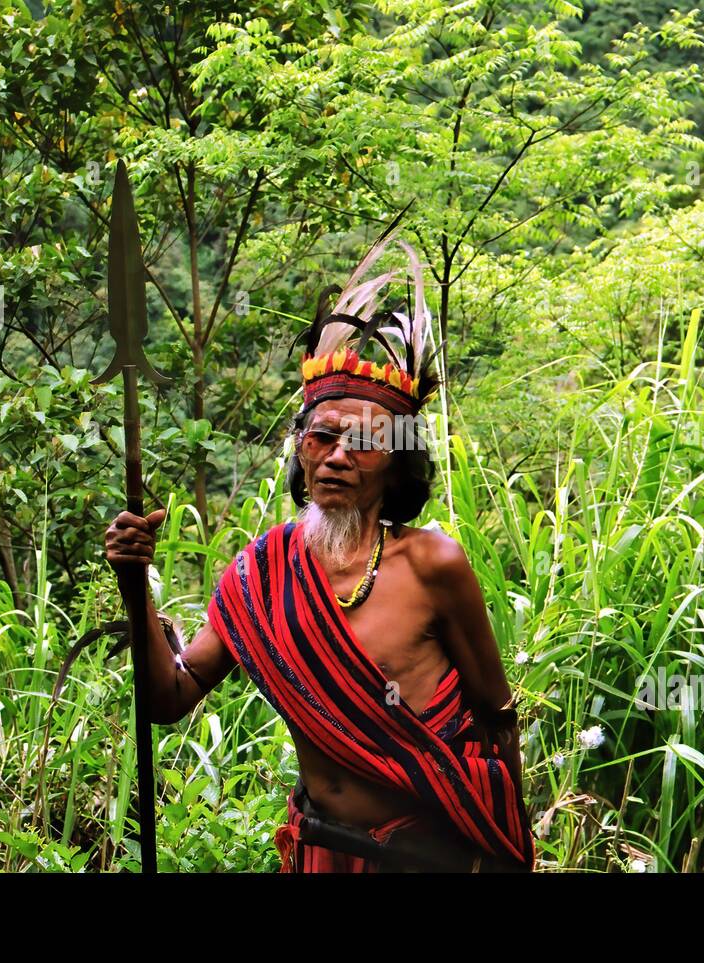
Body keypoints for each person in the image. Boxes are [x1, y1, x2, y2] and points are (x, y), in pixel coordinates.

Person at [103, 221, 533, 872]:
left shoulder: (433, 566)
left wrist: (504, 849)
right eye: (321, 436)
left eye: (361, 442)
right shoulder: (261, 574)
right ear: (300, 448)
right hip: (320, 854)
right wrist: (135, 583)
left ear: (397, 463)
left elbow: (496, 723)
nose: (335, 456)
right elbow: (170, 698)